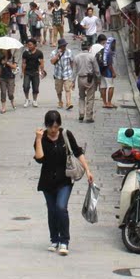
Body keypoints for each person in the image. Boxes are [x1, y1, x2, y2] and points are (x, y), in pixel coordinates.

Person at [33, 109, 94, 255]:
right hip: (47, 180)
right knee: (52, 210)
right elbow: (40, 159)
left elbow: (78, 152)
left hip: (64, 179)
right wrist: (38, 139)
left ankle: (64, 241)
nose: (53, 130)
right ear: (46, 125)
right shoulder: (41, 138)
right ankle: (54, 239)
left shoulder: (66, 134)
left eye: (56, 126)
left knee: (61, 207)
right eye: (51, 127)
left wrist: (88, 170)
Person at [73, 39, 100, 123]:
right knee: (90, 98)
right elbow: (96, 70)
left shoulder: (76, 57)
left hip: (80, 79)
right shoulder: (91, 57)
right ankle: (88, 116)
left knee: (81, 97)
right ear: (89, 47)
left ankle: (81, 114)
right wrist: (98, 79)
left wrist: (73, 81)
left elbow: (74, 71)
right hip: (89, 79)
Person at [50, 37, 74, 110]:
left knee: (68, 89)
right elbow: (52, 62)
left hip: (67, 73)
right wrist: (57, 55)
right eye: (63, 45)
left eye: (65, 45)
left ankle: (68, 102)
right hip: (58, 74)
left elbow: (72, 62)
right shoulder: (54, 53)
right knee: (59, 90)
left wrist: (72, 72)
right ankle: (60, 101)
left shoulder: (69, 52)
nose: (64, 47)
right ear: (59, 46)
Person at [20, 39, 44, 108]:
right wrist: (22, 72)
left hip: (35, 72)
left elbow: (42, 62)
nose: (29, 46)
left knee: (35, 87)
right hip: (27, 72)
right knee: (25, 86)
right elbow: (23, 63)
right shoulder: (25, 53)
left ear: (34, 45)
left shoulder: (39, 53)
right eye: (28, 45)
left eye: (30, 45)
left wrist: (42, 71)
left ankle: (35, 100)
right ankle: (27, 99)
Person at [98, 33, 117, 108]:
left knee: (103, 86)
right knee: (111, 86)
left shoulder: (103, 50)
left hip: (101, 71)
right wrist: (113, 72)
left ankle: (104, 103)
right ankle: (109, 102)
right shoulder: (109, 52)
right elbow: (110, 64)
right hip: (108, 72)